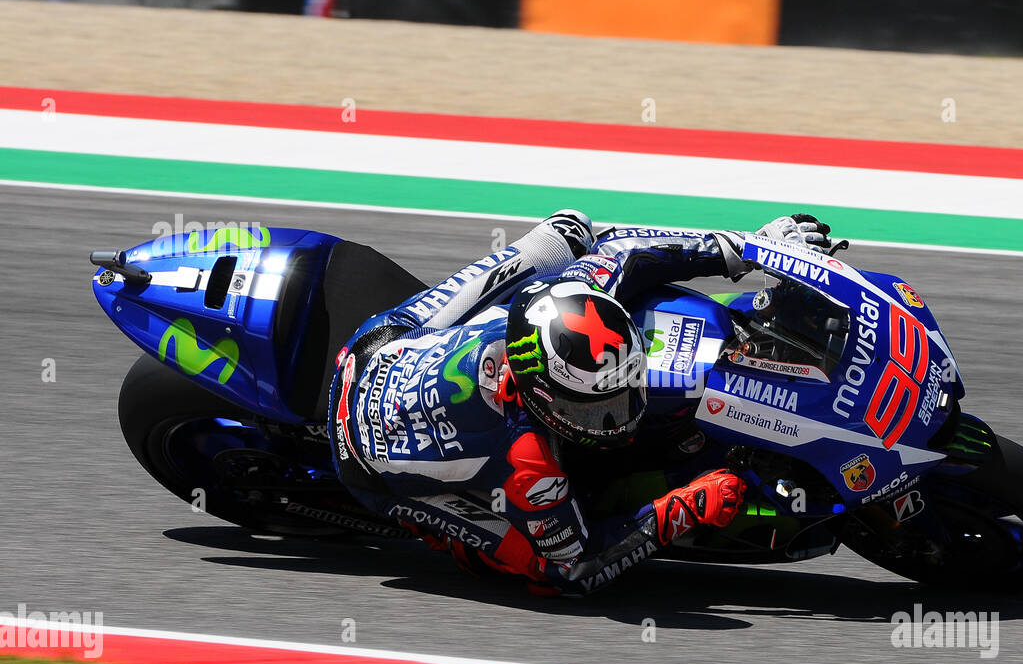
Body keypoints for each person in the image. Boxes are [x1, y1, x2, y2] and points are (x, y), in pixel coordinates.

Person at [328, 210, 834, 595]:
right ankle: (456, 539)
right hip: (364, 464)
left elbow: (627, 250)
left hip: (381, 344)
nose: (620, 413)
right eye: (597, 409)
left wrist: (747, 249)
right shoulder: (530, 465)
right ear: (544, 400)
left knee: (568, 232)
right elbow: (576, 567)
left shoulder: (563, 295)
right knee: (529, 561)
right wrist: (683, 507)